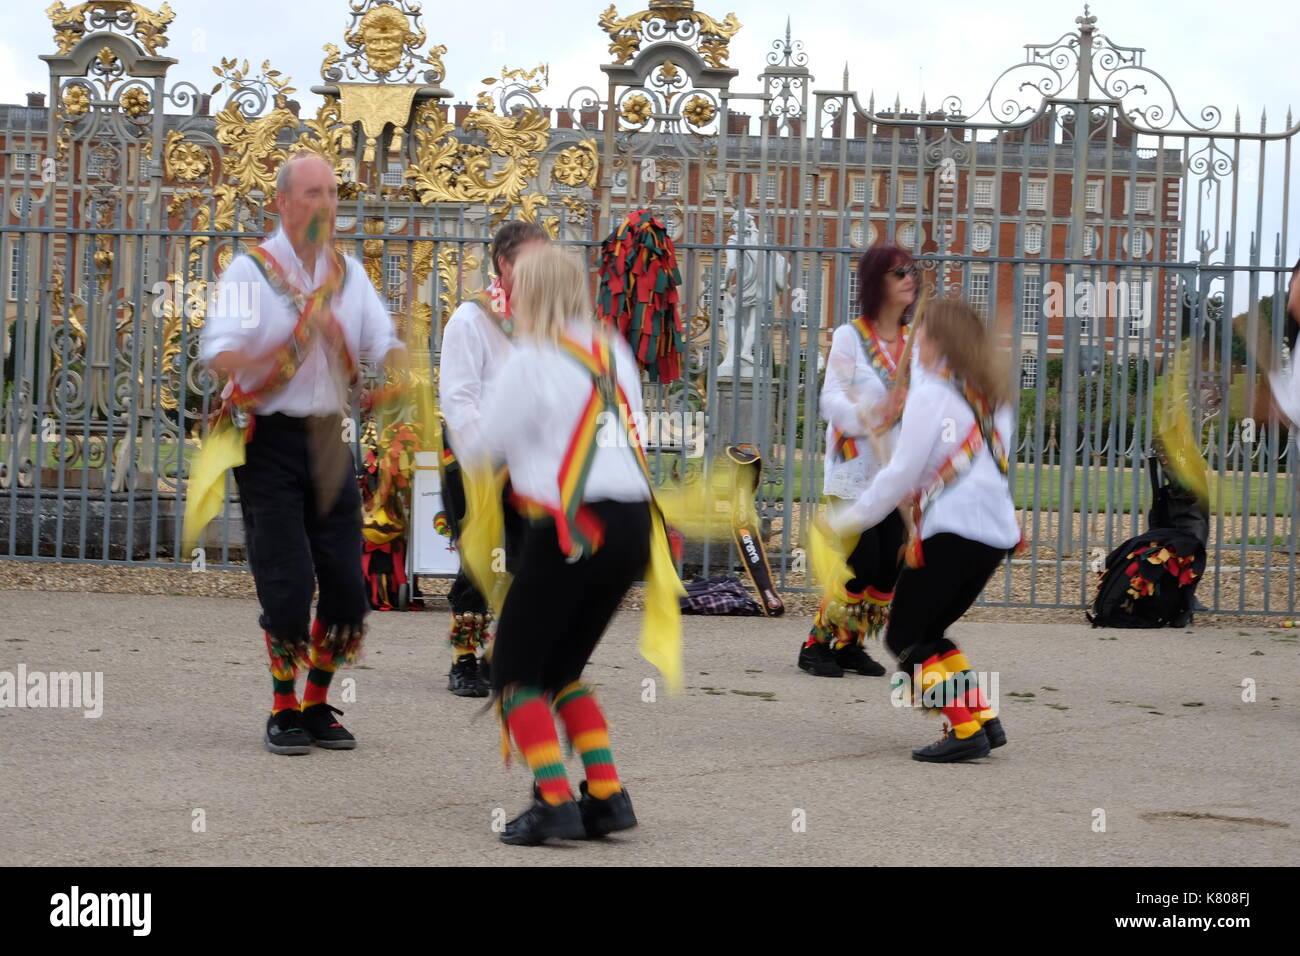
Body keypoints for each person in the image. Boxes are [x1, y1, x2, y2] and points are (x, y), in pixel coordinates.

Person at [201, 151, 406, 755]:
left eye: (332, 193)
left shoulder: (350, 276)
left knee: (348, 590)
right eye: (311, 194)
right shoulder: (250, 273)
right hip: (269, 443)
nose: (324, 205)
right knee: (288, 584)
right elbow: (218, 354)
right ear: (283, 203)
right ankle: (283, 708)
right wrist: (281, 347)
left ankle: (317, 702)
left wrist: (396, 361)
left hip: (331, 442)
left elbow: (379, 342)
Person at [469, 244, 674, 845]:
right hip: (633, 526)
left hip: (570, 528)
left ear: (526, 293)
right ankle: (606, 796)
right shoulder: (611, 351)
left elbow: (487, 447)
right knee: (562, 669)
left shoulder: (527, 357)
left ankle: (554, 802)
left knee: (513, 673)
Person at [829, 299, 1019, 762]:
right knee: (931, 630)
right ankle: (981, 720)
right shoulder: (992, 398)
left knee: (903, 636)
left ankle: (963, 730)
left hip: (952, 532)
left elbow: (899, 475)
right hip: (992, 536)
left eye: (922, 334)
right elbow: (976, 466)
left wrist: (844, 521)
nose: (914, 342)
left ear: (936, 343)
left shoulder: (932, 394)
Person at [437, 221, 548, 696]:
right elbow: (458, 398)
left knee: (528, 561)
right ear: (504, 264)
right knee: (480, 560)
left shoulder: (543, 321)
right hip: (475, 457)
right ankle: (464, 659)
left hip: (527, 461)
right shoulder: (470, 319)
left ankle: (499, 656)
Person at [799, 245, 916, 679]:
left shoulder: (914, 343)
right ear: (876, 283)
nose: (909, 278)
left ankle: (850, 644)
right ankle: (816, 643)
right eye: (897, 272)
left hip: (895, 468)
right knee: (859, 562)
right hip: (855, 468)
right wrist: (866, 415)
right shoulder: (851, 336)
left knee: (889, 567)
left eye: (911, 271)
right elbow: (831, 397)